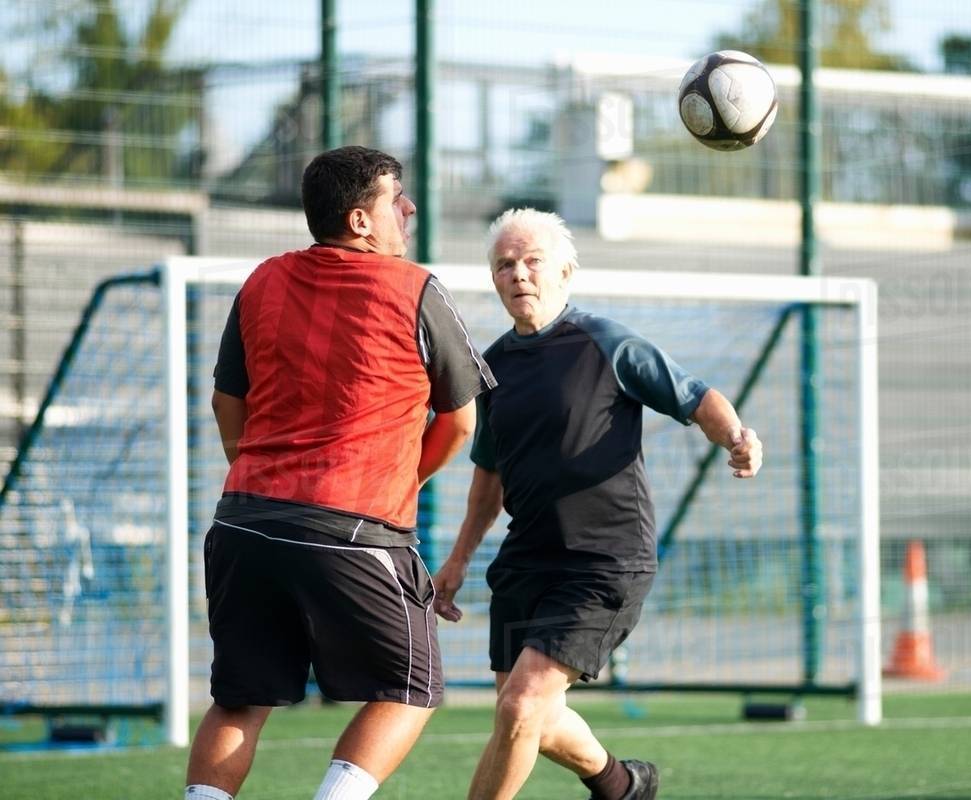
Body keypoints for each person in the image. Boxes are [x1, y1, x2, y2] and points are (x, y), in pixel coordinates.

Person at [185, 146, 496, 800]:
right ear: (360, 220)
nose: (408, 208)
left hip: (242, 521)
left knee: (241, 700)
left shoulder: (262, 279)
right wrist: (404, 481)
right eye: (396, 198)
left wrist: (259, 477)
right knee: (410, 688)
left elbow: (224, 402)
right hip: (352, 526)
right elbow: (462, 422)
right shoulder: (414, 286)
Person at [433, 209, 763, 800]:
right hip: (525, 560)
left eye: (532, 261)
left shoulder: (607, 343)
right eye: (504, 265)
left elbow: (695, 396)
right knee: (532, 713)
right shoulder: (493, 367)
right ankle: (622, 785)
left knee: (522, 706)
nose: (519, 274)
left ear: (565, 270)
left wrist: (738, 438)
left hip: (603, 560)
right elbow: (488, 476)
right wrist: (457, 561)